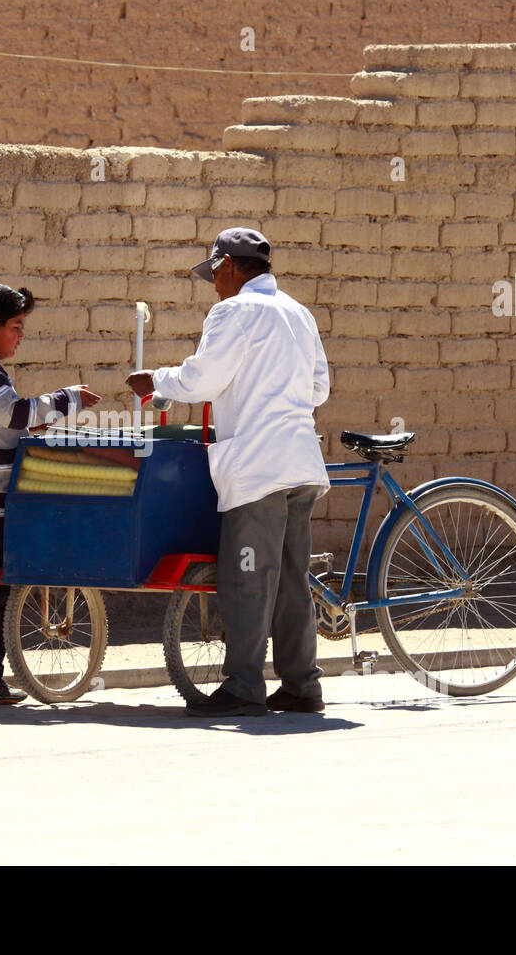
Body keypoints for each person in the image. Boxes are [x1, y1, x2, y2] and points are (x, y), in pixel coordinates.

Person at [126, 228, 331, 717]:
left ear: (230, 268)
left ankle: (243, 686)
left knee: (247, 579)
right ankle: (302, 684)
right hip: (300, 462)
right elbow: (319, 389)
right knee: (290, 579)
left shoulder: (234, 310)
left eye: (214, 274)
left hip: (258, 468)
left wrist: (155, 381)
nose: (213, 285)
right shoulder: (299, 313)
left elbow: (203, 378)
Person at [0, 283, 101, 706]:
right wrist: (68, 399)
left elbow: (1, 423)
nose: (20, 335)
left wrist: (27, 426)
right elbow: (13, 413)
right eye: (15, 326)